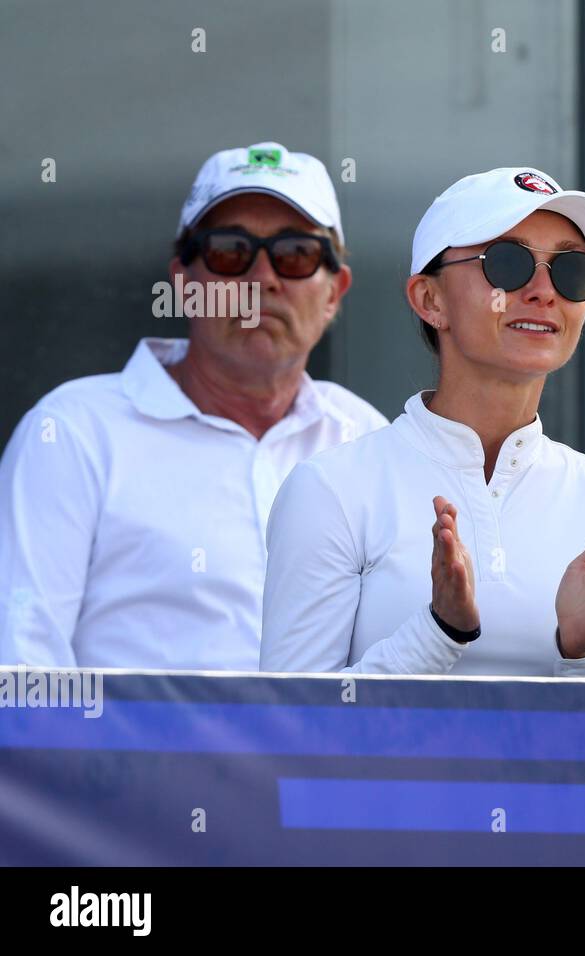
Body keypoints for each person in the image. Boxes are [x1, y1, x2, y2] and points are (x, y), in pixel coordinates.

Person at [260, 167, 585, 677]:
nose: (544, 291)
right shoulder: (331, 490)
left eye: (572, 270)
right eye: (507, 261)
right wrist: (437, 634)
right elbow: (287, 733)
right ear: (430, 300)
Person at [0, 142, 387, 670]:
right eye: (231, 251)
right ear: (184, 282)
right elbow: (23, 670)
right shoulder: (70, 432)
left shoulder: (368, 439)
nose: (262, 280)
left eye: (296, 253)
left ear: (334, 292)